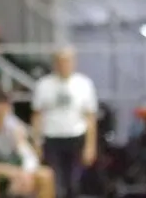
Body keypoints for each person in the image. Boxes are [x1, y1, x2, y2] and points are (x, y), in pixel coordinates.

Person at [31, 46, 98, 198]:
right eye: (61, 61)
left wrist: (90, 145)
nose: (64, 65)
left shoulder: (84, 84)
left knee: (74, 183)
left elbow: (90, 117)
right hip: (52, 139)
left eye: (68, 61)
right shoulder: (44, 85)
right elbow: (37, 116)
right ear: (55, 63)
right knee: (55, 184)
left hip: (76, 137)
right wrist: (36, 143)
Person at [0, 88, 53, 198]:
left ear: (8, 107)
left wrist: (26, 173)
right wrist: (12, 172)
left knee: (46, 174)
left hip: (12, 164)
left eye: (3, 106)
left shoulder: (15, 126)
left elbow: (27, 154)